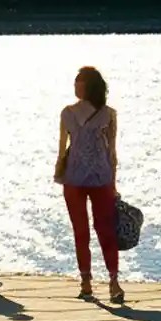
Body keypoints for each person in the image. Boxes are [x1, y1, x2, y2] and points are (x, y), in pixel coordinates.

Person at [55, 66, 124, 304]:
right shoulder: (72, 113)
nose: (75, 85)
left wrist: (112, 183)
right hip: (91, 178)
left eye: (79, 81)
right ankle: (95, 281)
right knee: (93, 230)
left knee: (95, 230)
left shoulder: (106, 114)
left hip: (87, 178)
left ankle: (104, 281)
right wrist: (112, 181)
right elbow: (111, 154)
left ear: (90, 85)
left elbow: (110, 152)